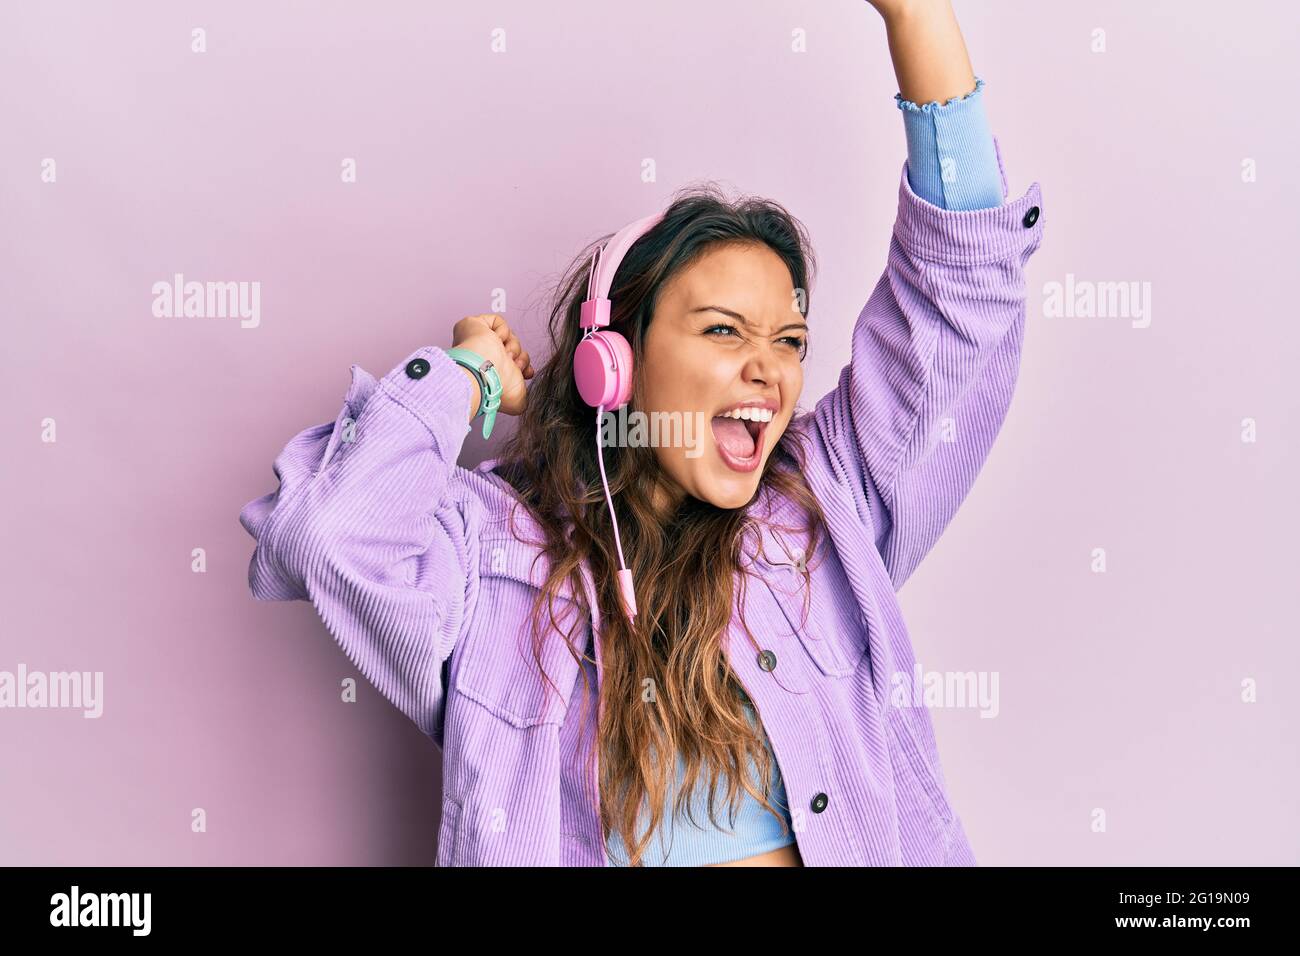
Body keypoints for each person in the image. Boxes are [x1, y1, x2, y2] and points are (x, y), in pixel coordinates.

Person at [239, 0, 1044, 867]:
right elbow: (332, 533)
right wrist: (467, 376)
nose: (768, 370)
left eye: (790, 341)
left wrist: (914, 14)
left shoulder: (828, 504)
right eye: (724, 331)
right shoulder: (494, 557)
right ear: (610, 362)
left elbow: (958, 300)